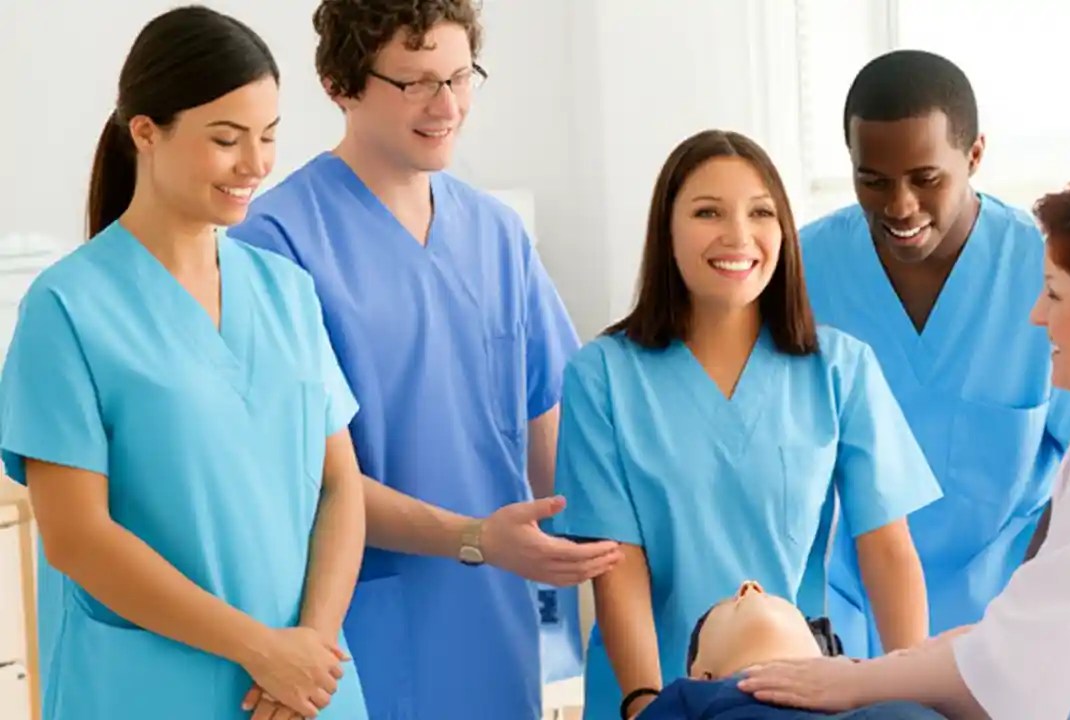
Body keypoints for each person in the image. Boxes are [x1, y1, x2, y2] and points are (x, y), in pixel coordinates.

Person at [739, 178, 1070, 719]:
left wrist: (853, 684)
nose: (1036, 316)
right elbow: (1027, 637)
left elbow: (1014, 677)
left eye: (1055, 293)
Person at [228, 1, 621, 717]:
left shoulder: (497, 235)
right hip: (353, 625)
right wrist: (476, 540)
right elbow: (302, 477)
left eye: (460, 77)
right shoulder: (272, 243)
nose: (447, 106)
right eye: (416, 83)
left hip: (494, 620)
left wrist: (613, 545)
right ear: (339, 84)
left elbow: (552, 434)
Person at [0, 6, 370, 720]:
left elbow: (340, 487)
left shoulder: (286, 292)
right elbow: (78, 538)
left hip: (305, 690)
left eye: (268, 137)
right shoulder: (67, 309)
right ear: (145, 132)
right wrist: (261, 650)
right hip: (151, 688)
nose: (257, 165)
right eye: (227, 139)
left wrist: (309, 651)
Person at [552, 129, 942, 720]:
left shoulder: (839, 369)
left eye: (760, 213)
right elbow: (617, 568)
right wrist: (646, 706)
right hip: (650, 690)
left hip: (798, 694)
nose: (738, 236)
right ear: (668, 232)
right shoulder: (602, 376)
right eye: (708, 212)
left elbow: (888, 551)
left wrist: (914, 697)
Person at [799, 49, 1070, 657]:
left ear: (975, 156)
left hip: (1010, 615)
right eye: (873, 180)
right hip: (851, 617)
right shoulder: (805, 270)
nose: (899, 206)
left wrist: (1033, 602)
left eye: (926, 179)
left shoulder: (1044, 272)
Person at [637, 581, 946, 720]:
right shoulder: (687, 698)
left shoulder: (886, 684)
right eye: (728, 606)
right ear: (702, 676)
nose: (750, 587)